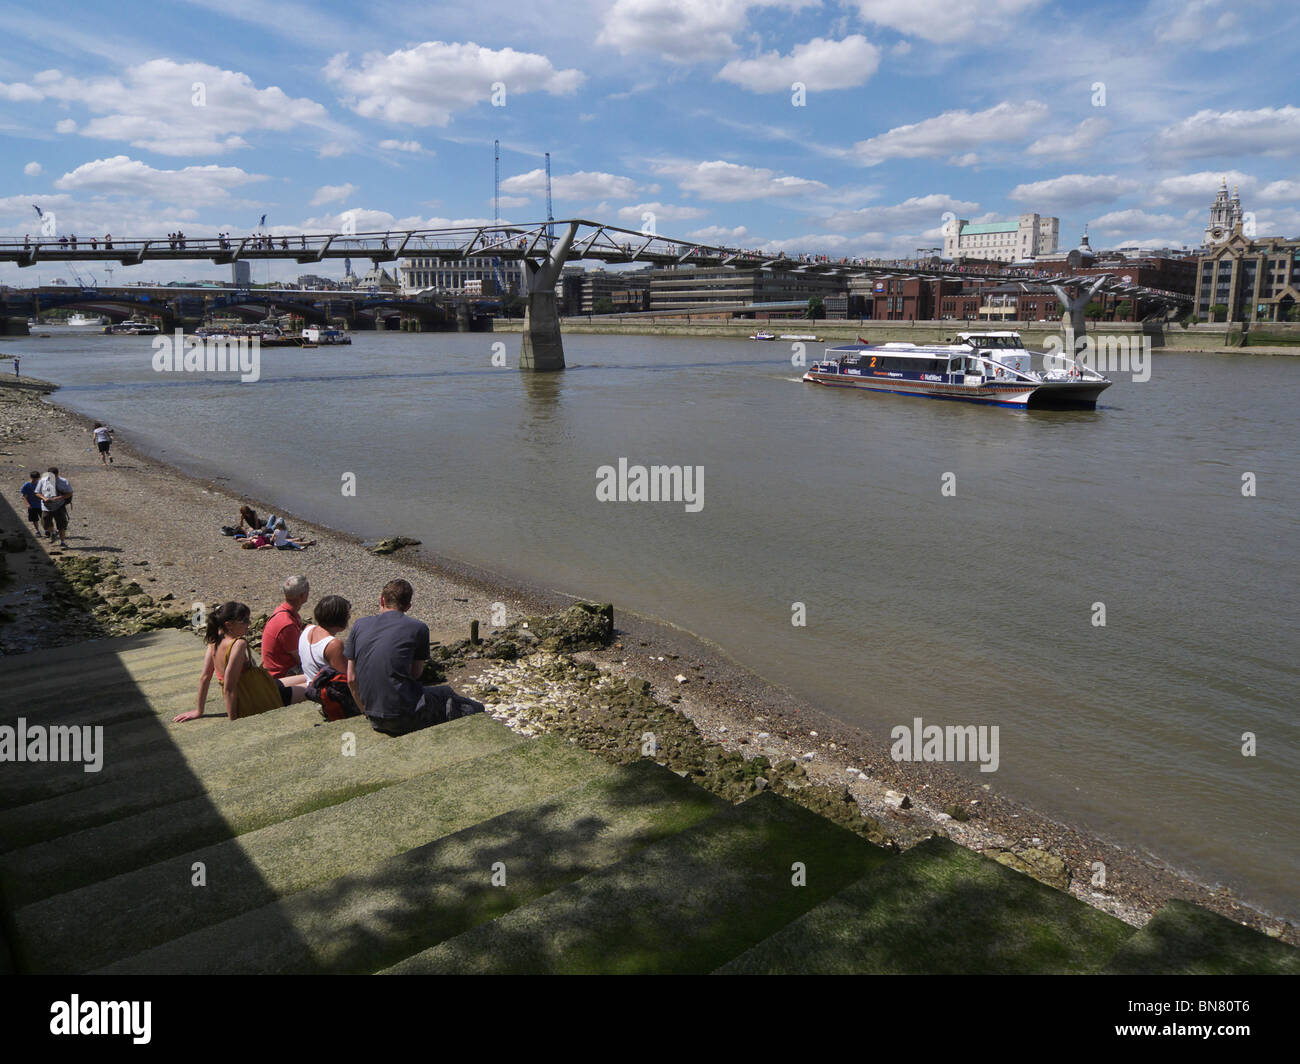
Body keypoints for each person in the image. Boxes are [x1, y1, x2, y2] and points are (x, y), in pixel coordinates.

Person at [344, 578, 484, 737]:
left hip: (373, 715)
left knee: (441, 694)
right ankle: (480, 717)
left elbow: (351, 678)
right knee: (449, 695)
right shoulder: (418, 628)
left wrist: (365, 712)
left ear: (382, 599)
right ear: (408, 606)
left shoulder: (359, 625)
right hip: (404, 717)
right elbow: (416, 673)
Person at [174, 601, 308, 722]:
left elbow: (205, 677)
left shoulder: (214, 640)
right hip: (257, 697)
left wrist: (199, 711)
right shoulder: (238, 644)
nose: (249, 624)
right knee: (315, 685)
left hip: (261, 686)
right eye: (244, 621)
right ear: (229, 625)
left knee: (309, 676)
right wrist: (234, 721)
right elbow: (229, 686)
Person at [261, 575, 309, 678]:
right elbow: (300, 658)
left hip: (273, 668)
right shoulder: (287, 624)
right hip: (281, 674)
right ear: (302, 596)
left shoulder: (281, 611)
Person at [298, 595, 351, 683]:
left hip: (310, 681)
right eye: (347, 615)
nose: (349, 617)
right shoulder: (333, 645)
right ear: (339, 619)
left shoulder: (308, 628)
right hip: (323, 692)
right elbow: (345, 679)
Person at [36, 466, 72, 548]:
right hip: (46, 506)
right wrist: (44, 498)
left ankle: (62, 542)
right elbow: (37, 492)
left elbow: (69, 493)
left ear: (57, 474)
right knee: (45, 523)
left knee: (61, 525)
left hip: (59, 506)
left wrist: (59, 498)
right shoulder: (42, 481)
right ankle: (53, 532)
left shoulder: (64, 481)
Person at [20, 471, 43, 537]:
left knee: (44, 518)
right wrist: (27, 504)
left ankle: (46, 530)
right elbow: (24, 496)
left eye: (36, 478)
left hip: (41, 505)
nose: (35, 480)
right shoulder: (27, 485)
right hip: (32, 506)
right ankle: (37, 531)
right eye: (34, 478)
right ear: (31, 477)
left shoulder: (41, 484)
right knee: (34, 519)